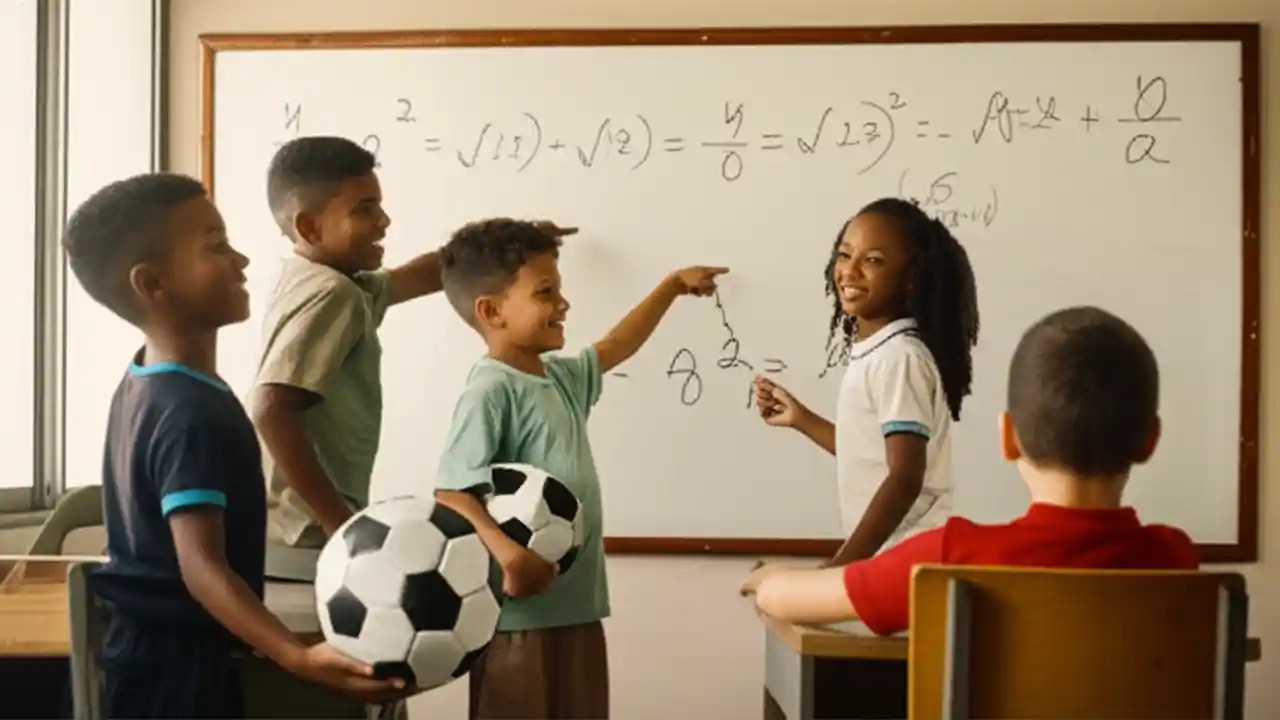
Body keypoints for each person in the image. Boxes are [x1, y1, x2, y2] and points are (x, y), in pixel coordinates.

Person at [63, 172, 405, 718]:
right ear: (152, 284)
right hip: (176, 678)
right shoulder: (188, 412)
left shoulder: (145, 380)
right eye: (216, 247)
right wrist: (297, 656)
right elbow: (202, 566)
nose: (241, 260)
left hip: (151, 661)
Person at [741, 305, 1199, 634]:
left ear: (1008, 437)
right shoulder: (1174, 562)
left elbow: (786, 600)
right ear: (1149, 440)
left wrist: (767, 578)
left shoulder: (949, 560)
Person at [432, 218, 726, 718]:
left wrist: (673, 286)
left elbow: (616, 345)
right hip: (519, 618)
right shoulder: (490, 389)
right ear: (492, 311)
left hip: (577, 606)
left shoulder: (562, 378)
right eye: (546, 293)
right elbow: (453, 492)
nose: (563, 304)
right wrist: (509, 556)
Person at [249, 135, 573, 562]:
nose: (383, 221)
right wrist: (339, 524)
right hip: (308, 535)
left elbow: (411, 279)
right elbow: (271, 408)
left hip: (295, 529)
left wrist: (503, 250)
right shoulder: (333, 293)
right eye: (363, 209)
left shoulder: (331, 280)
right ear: (309, 226)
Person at [754, 197, 979, 565]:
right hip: (892, 557)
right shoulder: (880, 351)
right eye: (845, 255)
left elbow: (905, 477)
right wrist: (801, 419)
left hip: (907, 557)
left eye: (873, 260)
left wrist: (841, 566)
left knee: (778, 593)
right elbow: (868, 453)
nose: (849, 271)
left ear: (911, 279)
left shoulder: (899, 358)